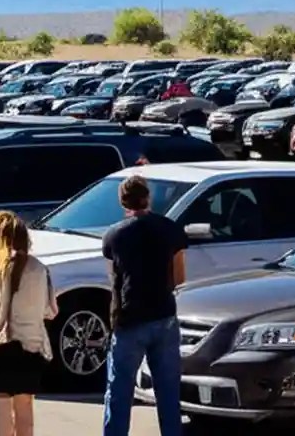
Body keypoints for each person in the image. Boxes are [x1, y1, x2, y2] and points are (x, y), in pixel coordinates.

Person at [101, 175, 187, 436]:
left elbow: (112, 278)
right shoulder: (170, 229)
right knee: (168, 390)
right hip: (163, 314)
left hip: (129, 318)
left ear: (122, 202)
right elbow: (180, 277)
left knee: (119, 391)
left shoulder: (113, 236)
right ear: (148, 197)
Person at [0, 211, 58, 436]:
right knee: (25, 405)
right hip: (32, 346)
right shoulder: (40, 269)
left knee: (3, 405)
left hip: (4, 346)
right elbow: (51, 311)